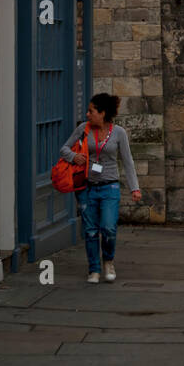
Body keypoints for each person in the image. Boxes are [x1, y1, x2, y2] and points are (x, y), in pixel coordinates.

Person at [60, 94, 142, 283]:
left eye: (91, 111)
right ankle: (94, 269)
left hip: (110, 187)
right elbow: (64, 148)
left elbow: (128, 162)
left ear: (102, 113)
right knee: (90, 230)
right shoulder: (83, 129)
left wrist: (134, 188)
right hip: (87, 188)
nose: (87, 114)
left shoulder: (119, 133)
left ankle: (108, 261)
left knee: (108, 228)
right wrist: (74, 157)